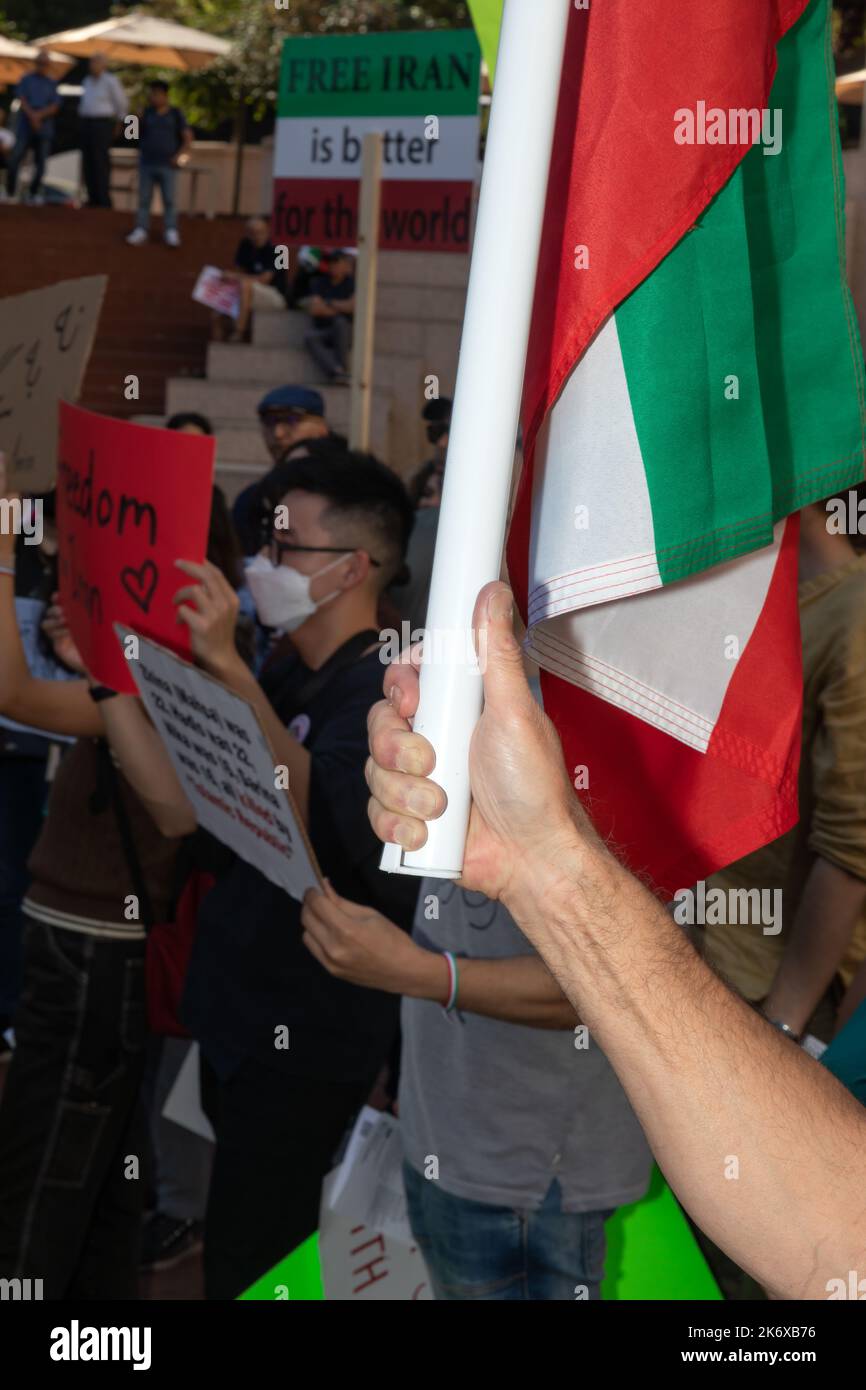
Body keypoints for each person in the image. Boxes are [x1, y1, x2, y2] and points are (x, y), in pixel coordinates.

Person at [363, 580, 866, 1301]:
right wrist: (535, 871)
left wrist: (422, 973)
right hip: (449, 1127)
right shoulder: (497, 701)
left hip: (541, 1169)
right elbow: (843, 1232)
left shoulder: (635, 707)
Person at [103, 447, 420, 1298]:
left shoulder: (390, 686)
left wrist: (229, 667)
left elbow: (333, 822)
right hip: (240, 1016)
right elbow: (185, 812)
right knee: (239, 1238)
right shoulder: (284, 667)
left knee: (263, 1259)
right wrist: (111, 678)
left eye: (285, 550)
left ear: (353, 568)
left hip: (310, 1038)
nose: (260, 566)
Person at [0, 459, 249, 1299]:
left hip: (95, 951)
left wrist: (3, 553)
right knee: (99, 1167)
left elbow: (15, 695)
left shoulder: (169, 672)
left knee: (48, 1170)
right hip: (86, 942)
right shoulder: (141, 659)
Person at [302, 867, 652, 1301]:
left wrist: (415, 971)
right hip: (445, 1123)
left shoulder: (642, 810)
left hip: (527, 1169)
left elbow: (613, 987)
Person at [701, 494, 866, 1043]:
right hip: (720, 961)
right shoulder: (754, 595)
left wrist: (784, 1024)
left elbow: (850, 850)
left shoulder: (855, 611)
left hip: (786, 998)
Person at [231, 387, 332, 556]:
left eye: (291, 420)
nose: (278, 434)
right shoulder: (257, 498)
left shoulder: (342, 492)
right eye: (268, 422)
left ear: (321, 429)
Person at [126, 81, 192, 249]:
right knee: (143, 199)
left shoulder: (176, 114)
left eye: (156, 93)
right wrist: (134, 116)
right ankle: (141, 229)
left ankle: (171, 230)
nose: (153, 97)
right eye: (151, 93)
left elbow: (188, 137)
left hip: (167, 165)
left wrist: (178, 156)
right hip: (146, 163)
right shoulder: (145, 113)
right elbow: (130, 136)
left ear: (165, 95)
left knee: (169, 199)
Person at [212, 217, 289, 343]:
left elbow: (265, 279)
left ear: (268, 231)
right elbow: (240, 271)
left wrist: (235, 277)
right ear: (247, 234)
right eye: (253, 233)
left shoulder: (281, 248)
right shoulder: (245, 245)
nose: (257, 236)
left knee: (245, 285)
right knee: (217, 312)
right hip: (247, 292)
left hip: (275, 296)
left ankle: (239, 331)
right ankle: (218, 341)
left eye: (261, 232)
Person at [6, 52, 60, 204]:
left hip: (44, 127)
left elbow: (55, 106)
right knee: (15, 158)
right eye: (39, 63)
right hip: (25, 126)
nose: (42, 66)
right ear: (35, 63)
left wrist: (39, 116)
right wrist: (33, 116)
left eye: (45, 64)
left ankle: (34, 193)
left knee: (41, 164)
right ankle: (10, 193)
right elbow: (21, 100)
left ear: (48, 65)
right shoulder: (26, 79)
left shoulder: (52, 83)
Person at [78, 53, 127, 209]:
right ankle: (92, 197)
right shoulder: (86, 81)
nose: (92, 65)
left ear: (103, 65)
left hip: (103, 124)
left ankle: (103, 199)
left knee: (100, 161)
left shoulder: (111, 81)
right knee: (88, 161)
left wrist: (120, 124)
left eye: (95, 62)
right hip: (87, 123)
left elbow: (122, 104)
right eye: (91, 62)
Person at [303, 249, 356, 384]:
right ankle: (337, 371)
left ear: (345, 265)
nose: (333, 266)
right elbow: (315, 309)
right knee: (310, 337)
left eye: (337, 263)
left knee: (340, 323)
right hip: (325, 330)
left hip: (346, 331)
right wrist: (340, 308)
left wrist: (328, 303)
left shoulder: (352, 283)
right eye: (331, 263)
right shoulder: (319, 282)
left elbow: (352, 306)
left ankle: (343, 368)